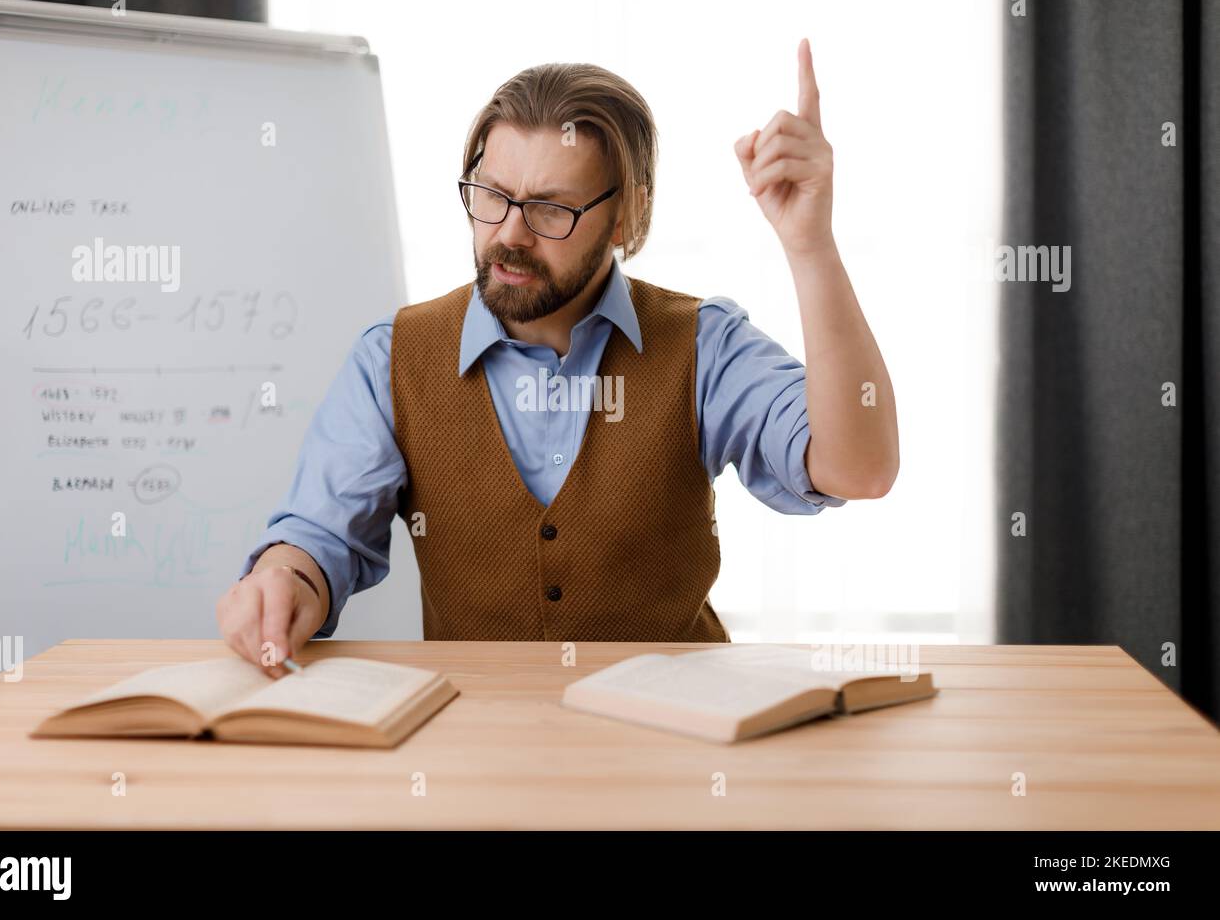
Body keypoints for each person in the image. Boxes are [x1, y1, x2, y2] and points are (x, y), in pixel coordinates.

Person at [218, 39, 898, 678]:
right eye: (491, 196)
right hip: (481, 754)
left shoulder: (702, 344)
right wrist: (282, 577)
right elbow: (317, 536)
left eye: (551, 209)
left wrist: (810, 246)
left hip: (680, 753)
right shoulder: (392, 360)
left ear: (628, 217)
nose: (509, 235)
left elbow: (856, 468)